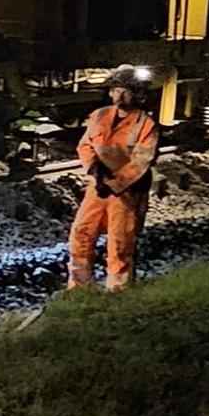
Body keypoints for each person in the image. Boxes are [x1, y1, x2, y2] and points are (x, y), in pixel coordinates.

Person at [69, 73, 161, 292]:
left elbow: (141, 161)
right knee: (81, 232)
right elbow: (85, 145)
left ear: (137, 95)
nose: (119, 95)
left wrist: (114, 182)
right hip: (99, 185)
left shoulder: (146, 125)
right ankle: (79, 287)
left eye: (125, 90)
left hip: (126, 191)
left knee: (120, 241)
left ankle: (118, 289)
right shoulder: (100, 115)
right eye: (116, 90)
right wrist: (94, 168)